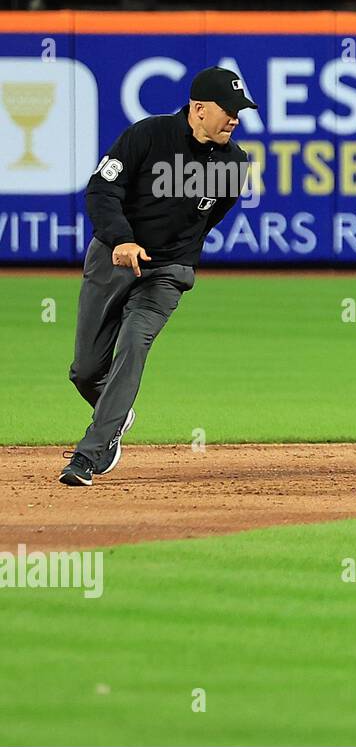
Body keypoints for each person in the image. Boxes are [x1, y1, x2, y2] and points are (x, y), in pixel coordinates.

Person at [59, 67, 257, 486]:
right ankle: (117, 413)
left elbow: (208, 219)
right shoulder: (147, 136)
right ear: (199, 109)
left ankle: (89, 455)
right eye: (231, 109)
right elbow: (101, 190)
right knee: (85, 370)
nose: (237, 118)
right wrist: (122, 239)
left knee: (134, 345)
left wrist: (178, 259)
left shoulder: (234, 163)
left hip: (166, 273)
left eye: (241, 111)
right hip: (114, 259)